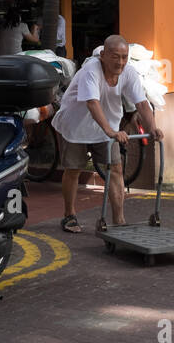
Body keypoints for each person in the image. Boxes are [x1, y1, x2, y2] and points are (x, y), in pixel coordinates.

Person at [52, 35, 162, 232]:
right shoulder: (90, 71)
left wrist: (152, 127)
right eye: (115, 57)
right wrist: (111, 130)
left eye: (124, 57)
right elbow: (92, 103)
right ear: (103, 55)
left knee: (116, 169)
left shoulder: (129, 72)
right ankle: (69, 215)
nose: (120, 62)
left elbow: (141, 103)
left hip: (107, 128)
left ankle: (119, 220)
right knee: (73, 170)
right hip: (76, 125)